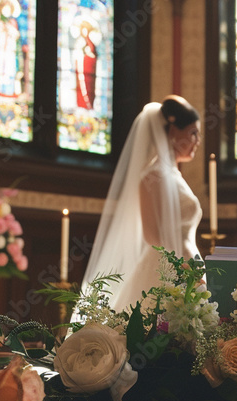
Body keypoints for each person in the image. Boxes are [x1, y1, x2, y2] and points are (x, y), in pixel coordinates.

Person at [81, 96, 203, 312]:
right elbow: (152, 235)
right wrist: (180, 268)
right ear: (173, 131)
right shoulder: (151, 177)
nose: (198, 140)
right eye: (193, 133)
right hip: (169, 268)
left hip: (189, 265)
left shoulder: (174, 175)